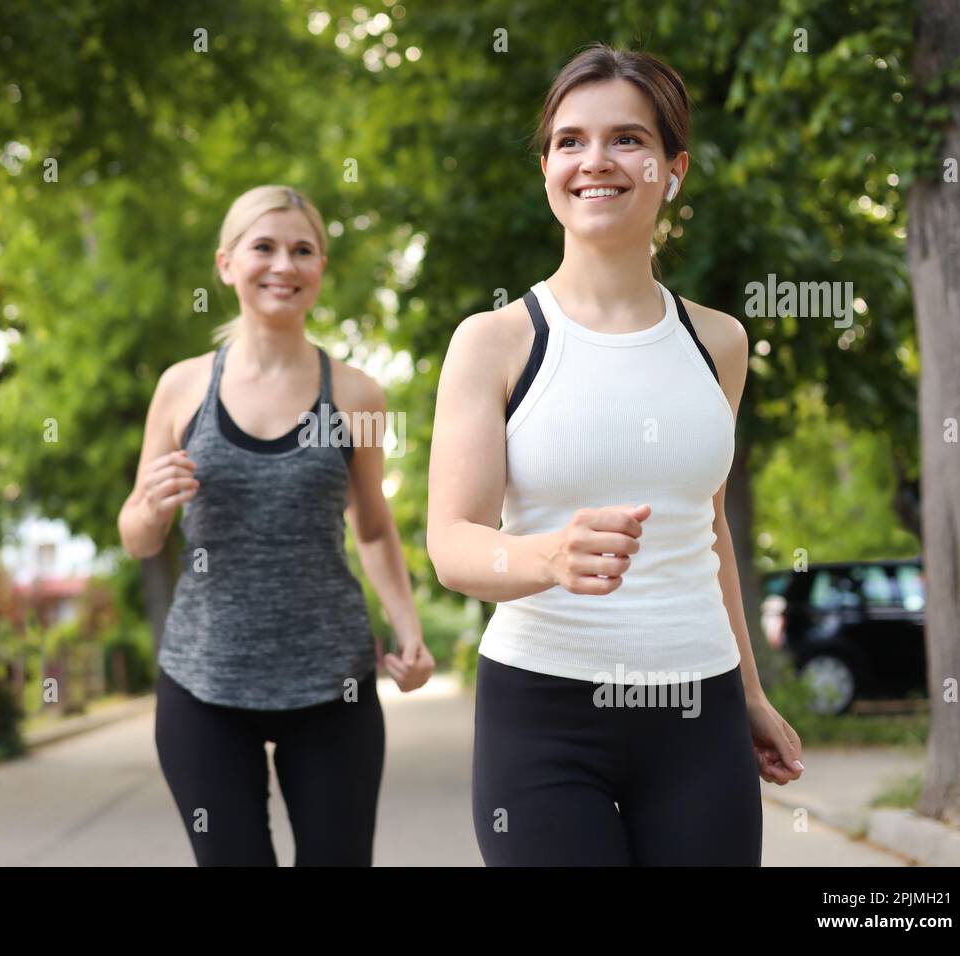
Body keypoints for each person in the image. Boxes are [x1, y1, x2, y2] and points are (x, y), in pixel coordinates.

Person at [426, 44, 804, 866]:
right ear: (547, 169)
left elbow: (706, 530)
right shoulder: (495, 342)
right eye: (570, 141)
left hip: (697, 715)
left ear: (673, 169)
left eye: (627, 139)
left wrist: (747, 692)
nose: (595, 160)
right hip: (543, 718)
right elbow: (452, 541)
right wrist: (546, 556)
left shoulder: (720, 343)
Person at [119, 184, 434, 866]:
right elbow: (139, 537)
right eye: (264, 247)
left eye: (303, 251)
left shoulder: (356, 394)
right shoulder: (181, 388)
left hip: (332, 684)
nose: (283, 266)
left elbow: (374, 528)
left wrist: (408, 630)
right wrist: (150, 506)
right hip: (205, 683)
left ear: (321, 267)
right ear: (227, 263)